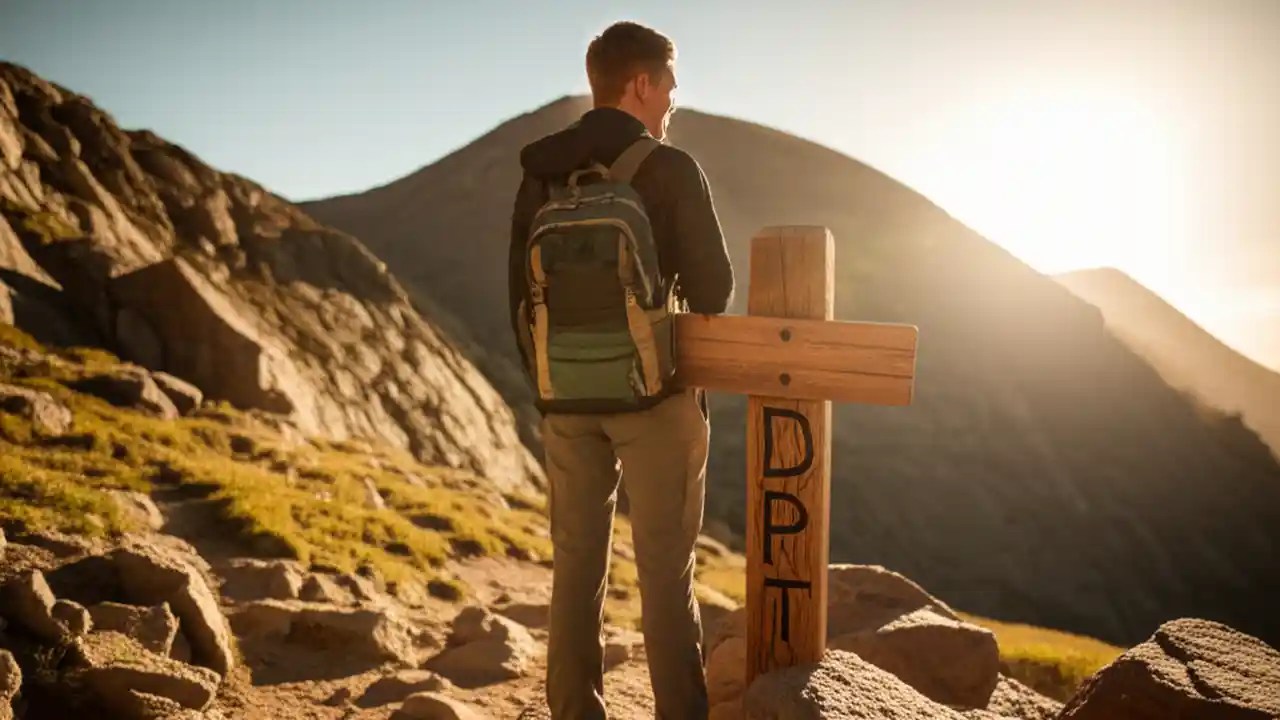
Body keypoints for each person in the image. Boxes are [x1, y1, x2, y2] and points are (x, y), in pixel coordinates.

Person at [507, 20, 735, 720]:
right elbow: (716, 290)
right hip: (655, 401)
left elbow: (519, 294)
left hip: (565, 401)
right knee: (667, 578)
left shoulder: (541, 172)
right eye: (668, 83)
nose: (672, 99)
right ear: (640, 83)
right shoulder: (669, 168)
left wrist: (555, 384)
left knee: (576, 567)